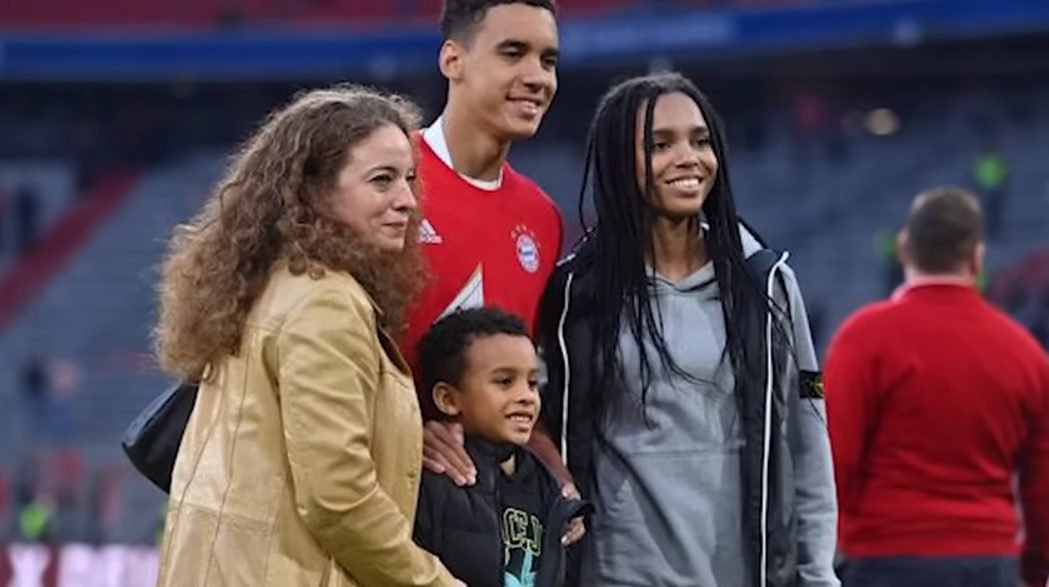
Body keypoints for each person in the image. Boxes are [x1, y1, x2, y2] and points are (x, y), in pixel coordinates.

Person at [426, 72, 839, 586]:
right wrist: (437, 429)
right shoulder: (574, 293)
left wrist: (817, 575)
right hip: (611, 574)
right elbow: (522, 414)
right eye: (660, 145)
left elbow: (806, 437)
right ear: (619, 164)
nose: (688, 158)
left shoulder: (766, 285)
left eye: (701, 141)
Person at [151, 86, 462, 587]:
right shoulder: (325, 303)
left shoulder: (266, 283)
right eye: (381, 180)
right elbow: (339, 499)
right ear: (314, 192)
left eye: (409, 179)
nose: (406, 200)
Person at [824, 187, 1049, 587]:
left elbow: (834, 460)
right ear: (977, 258)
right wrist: (1032, 569)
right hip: (989, 562)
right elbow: (1040, 486)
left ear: (904, 250)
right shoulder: (1026, 355)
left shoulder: (861, 339)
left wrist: (831, 552)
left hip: (886, 560)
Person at [401, 0, 564, 424]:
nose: (536, 77)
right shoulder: (387, 180)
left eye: (547, 61)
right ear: (453, 61)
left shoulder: (542, 217)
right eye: (513, 53)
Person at [414, 307, 591, 587]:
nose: (527, 396)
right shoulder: (435, 476)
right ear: (448, 399)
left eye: (532, 383)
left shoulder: (546, 485)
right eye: (505, 382)